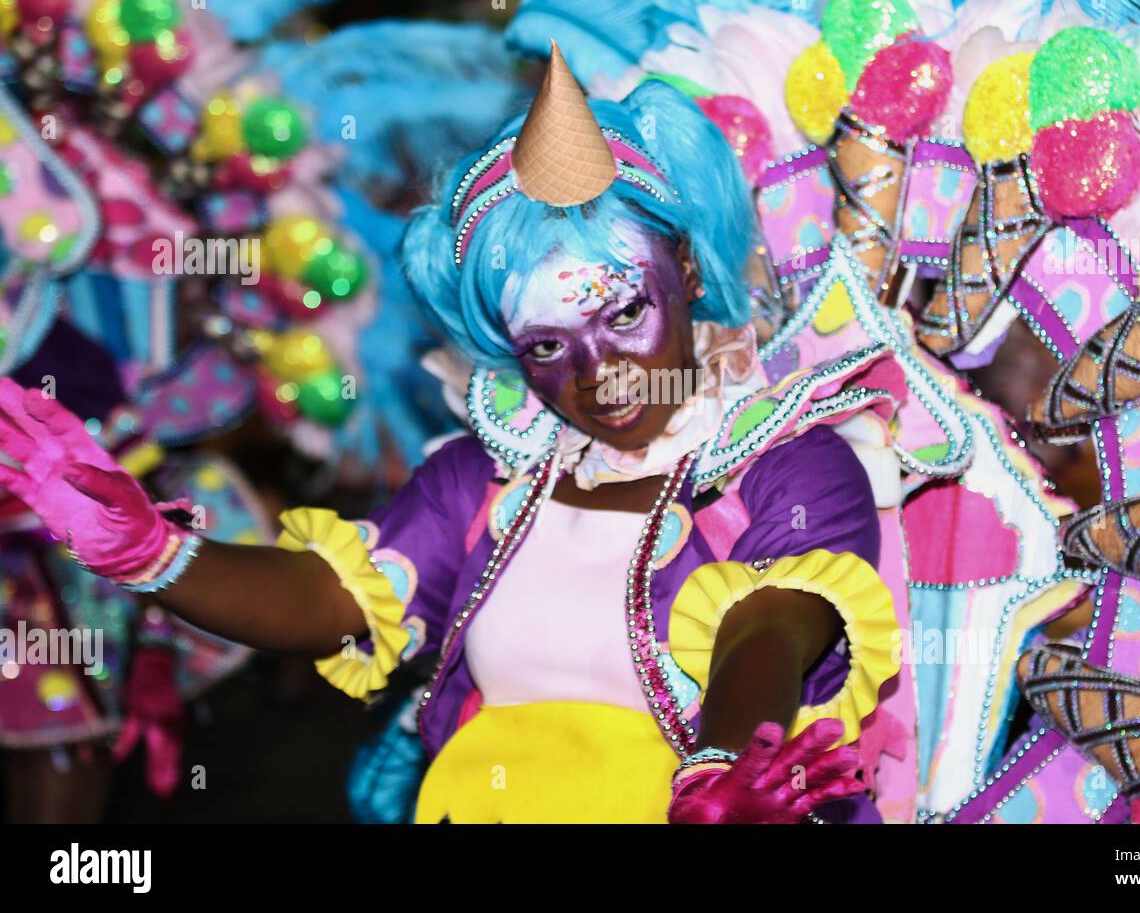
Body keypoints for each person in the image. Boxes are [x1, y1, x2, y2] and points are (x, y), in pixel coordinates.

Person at [0, 47, 902, 823]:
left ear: (690, 269)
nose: (597, 372)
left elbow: (769, 632)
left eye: (623, 312)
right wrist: (152, 554)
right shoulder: (485, 482)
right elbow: (327, 600)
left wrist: (723, 773)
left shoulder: (791, 464)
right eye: (548, 344)